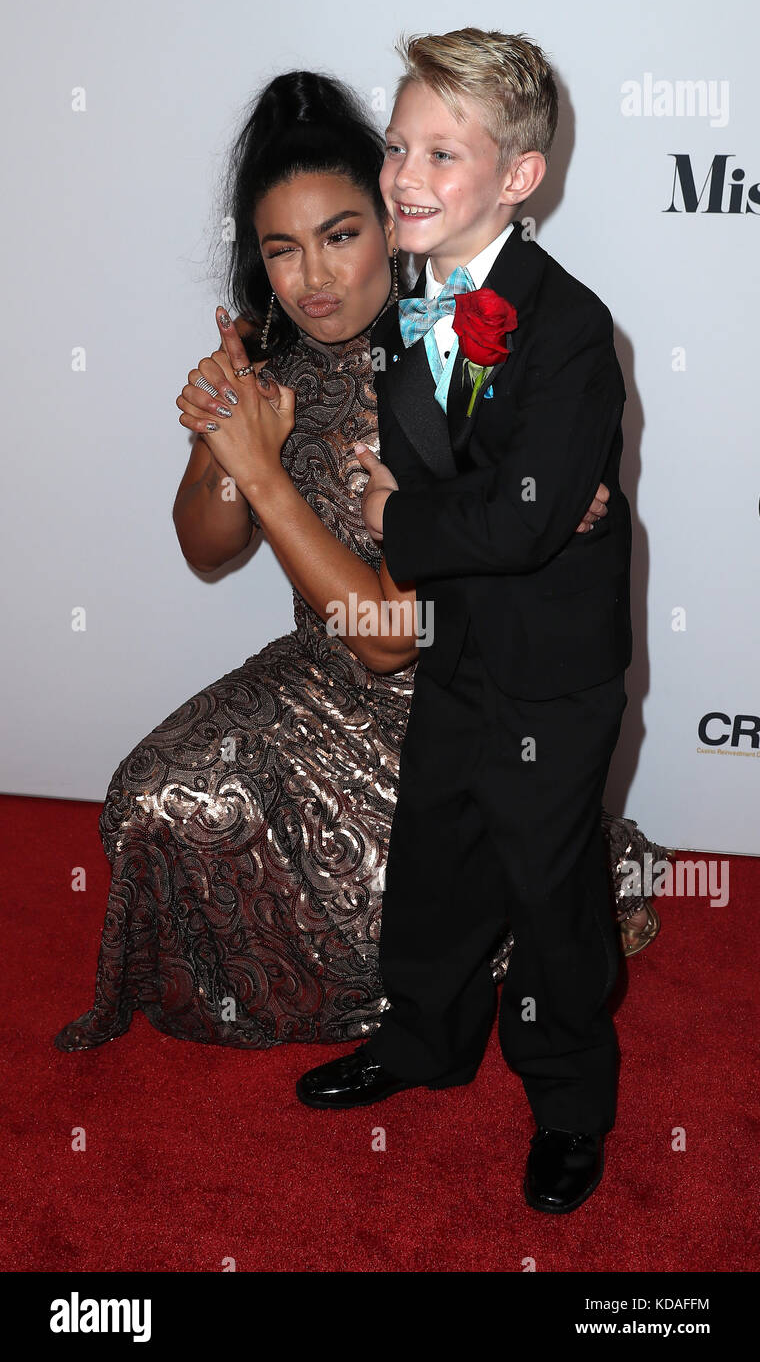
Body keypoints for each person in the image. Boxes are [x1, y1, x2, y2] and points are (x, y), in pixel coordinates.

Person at [54, 69, 665, 1058]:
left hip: (448, 693)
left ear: (389, 221)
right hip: (311, 673)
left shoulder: (454, 356)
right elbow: (205, 549)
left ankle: (548, 899)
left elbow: (391, 638)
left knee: (420, 912)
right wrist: (227, 432)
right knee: (149, 796)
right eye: (281, 250)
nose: (313, 278)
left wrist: (267, 475)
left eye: (340, 234)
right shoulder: (271, 355)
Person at [296, 30, 648, 1216]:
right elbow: (502, 496)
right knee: (439, 858)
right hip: (459, 646)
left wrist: (414, 513)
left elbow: (528, 517)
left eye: (442, 153)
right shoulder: (415, 300)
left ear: (517, 178)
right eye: (398, 145)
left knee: (547, 890)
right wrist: (483, 508)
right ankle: (425, 1040)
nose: (401, 175)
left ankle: (567, 1101)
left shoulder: (567, 326)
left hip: (552, 669)